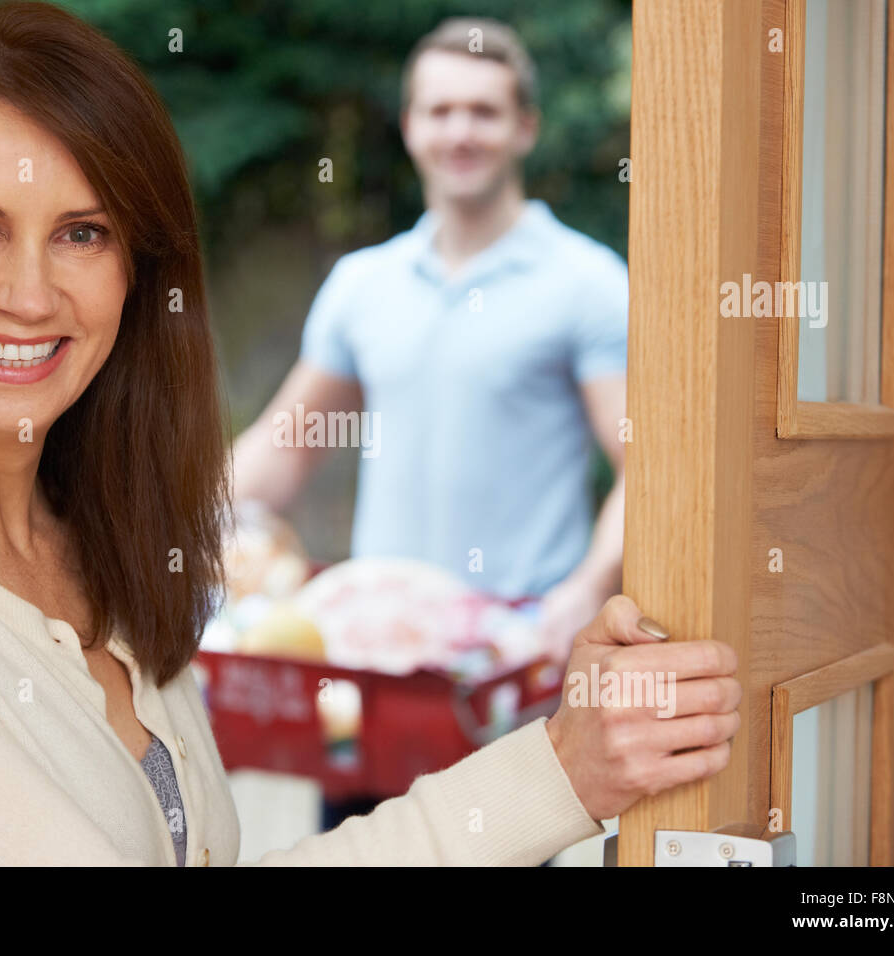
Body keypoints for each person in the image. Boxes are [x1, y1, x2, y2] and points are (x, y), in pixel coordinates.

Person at [0, 1, 739, 866]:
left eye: (83, 232)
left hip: (491, 654)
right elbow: (284, 447)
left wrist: (566, 749)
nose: (27, 292)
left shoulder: (97, 552)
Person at [230, 17, 630, 830]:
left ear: (525, 127)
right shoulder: (363, 285)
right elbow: (280, 452)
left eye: (483, 112)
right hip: (370, 677)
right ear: (410, 127)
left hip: (508, 678)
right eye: (440, 111)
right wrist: (158, 520)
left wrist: (583, 592)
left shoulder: (586, 283)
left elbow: (647, 464)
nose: (460, 131)